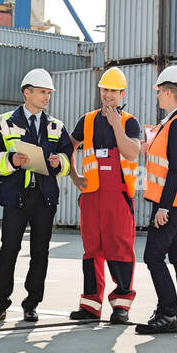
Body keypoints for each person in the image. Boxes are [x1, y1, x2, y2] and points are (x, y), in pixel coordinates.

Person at [0, 68, 73, 324]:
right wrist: (11, 159)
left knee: (40, 253)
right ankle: (0, 302)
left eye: (49, 93)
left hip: (44, 198)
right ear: (27, 93)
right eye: (43, 92)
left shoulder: (56, 127)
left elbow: (67, 160)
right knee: (9, 249)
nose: (47, 97)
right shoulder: (4, 122)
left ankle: (31, 304)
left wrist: (59, 162)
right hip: (16, 197)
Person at [67, 68, 141, 326]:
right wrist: (74, 176)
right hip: (91, 195)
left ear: (122, 93)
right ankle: (90, 304)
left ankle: (121, 305)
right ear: (100, 91)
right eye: (105, 89)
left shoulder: (130, 122)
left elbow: (132, 153)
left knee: (120, 247)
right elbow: (68, 148)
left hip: (118, 196)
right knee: (92, 250)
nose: (108, 95)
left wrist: (115, 125)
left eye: (113, 91)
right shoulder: (86, 120)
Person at [136, 65, 177, 334]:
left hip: (170, 203)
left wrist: (163, 206)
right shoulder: (172, 123)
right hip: (175, 201)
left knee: (153, 256)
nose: (158, 96)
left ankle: (167, 313)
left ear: (170, 92)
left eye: (160, 91)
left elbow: (176, 169)